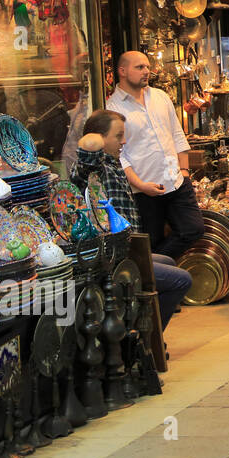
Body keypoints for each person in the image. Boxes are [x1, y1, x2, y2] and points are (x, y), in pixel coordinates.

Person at [72, 110, 191, 331]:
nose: (124, 142)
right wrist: (94, 136)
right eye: (118, 136)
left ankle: (143, 332)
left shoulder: (114, 164)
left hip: (127, 249)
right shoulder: (95, 168)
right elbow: (87, 156)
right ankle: (148, 338)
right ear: (101, 137)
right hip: (113, 257)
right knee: (181, 280)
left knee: (168, 262)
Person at [107, 51, 204, 261]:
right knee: (152, 239)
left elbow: (177, 134)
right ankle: (156, 277)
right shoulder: (112, 107)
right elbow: (120, 156)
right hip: (145, 189)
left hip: (176, 181)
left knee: (193, 229)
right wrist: (140, 185)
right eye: (139, 67)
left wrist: (185, 171)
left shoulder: (160, 96)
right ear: (122, 71)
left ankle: (151, 266)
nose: (146, 71)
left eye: (147, 67)